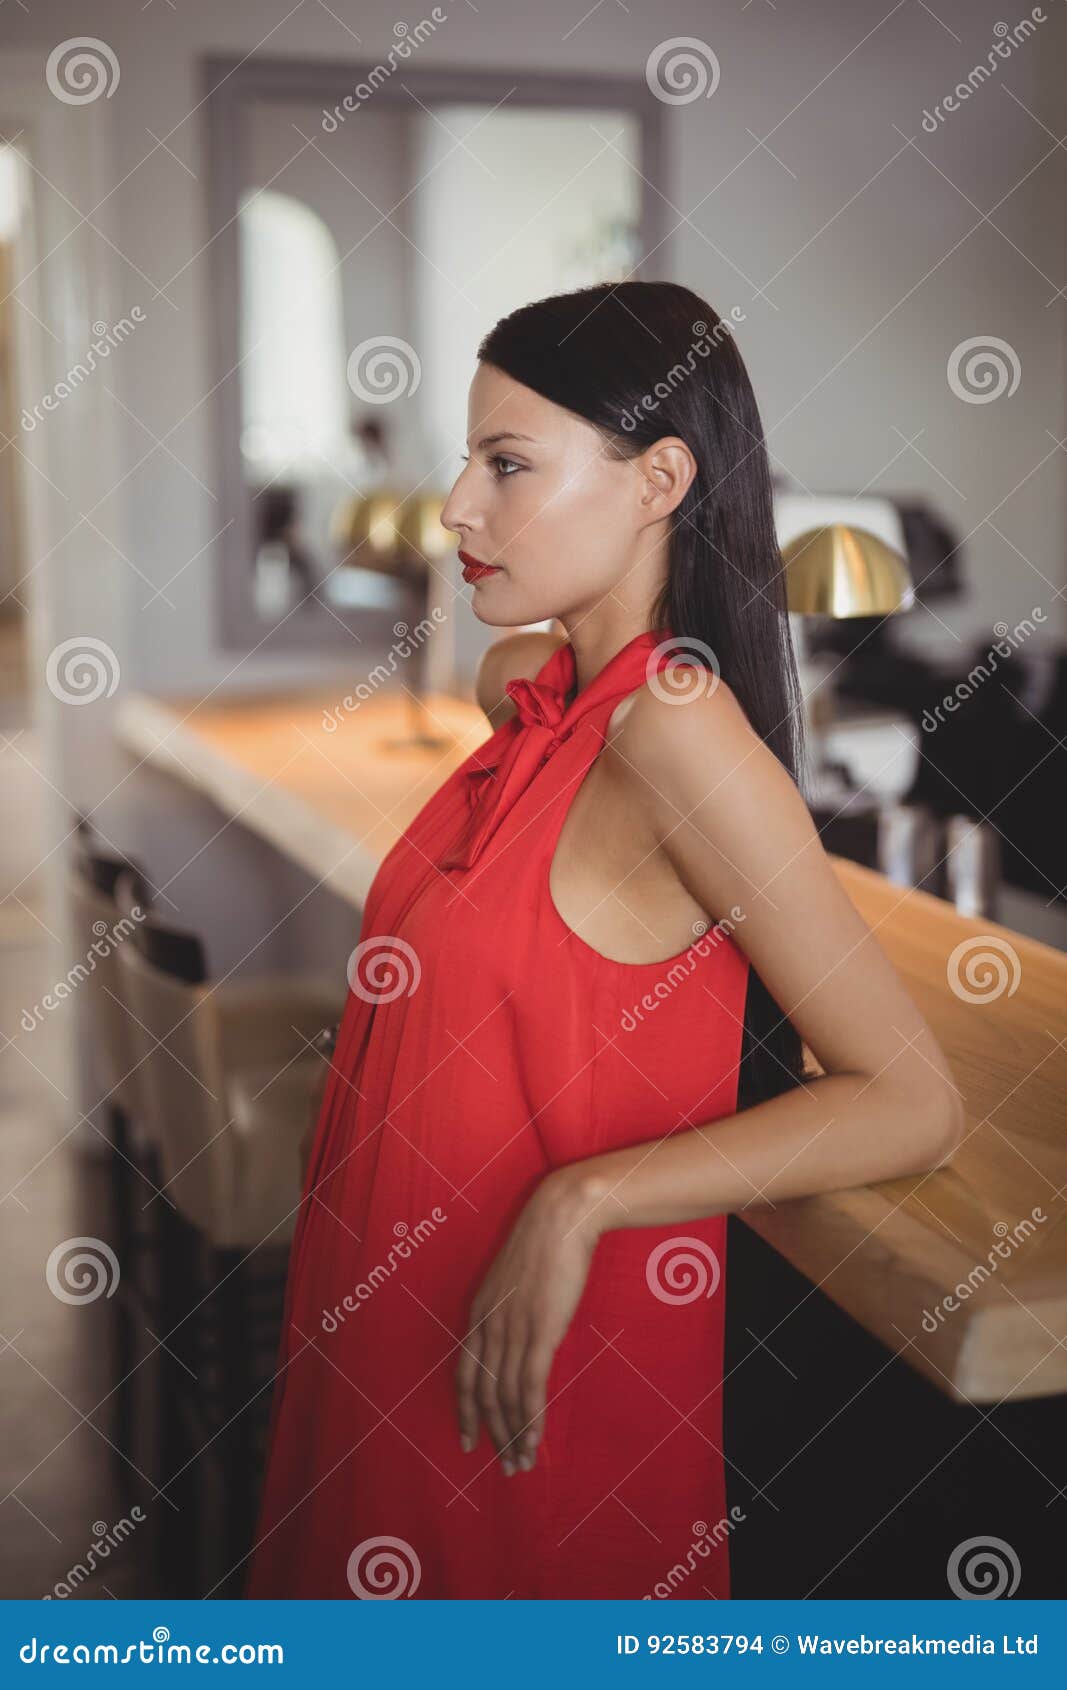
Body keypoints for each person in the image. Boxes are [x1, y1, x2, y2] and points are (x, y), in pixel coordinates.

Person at [245, 280, 963, 1601]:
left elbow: (911, 1100)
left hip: (523, 1375)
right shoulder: (551, 695)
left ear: (661, 480)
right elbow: (505, 678)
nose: (458, 506)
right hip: (388, 1324)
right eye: (469, 460)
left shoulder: (676, 731)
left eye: (507, 463)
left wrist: (584, 1200)